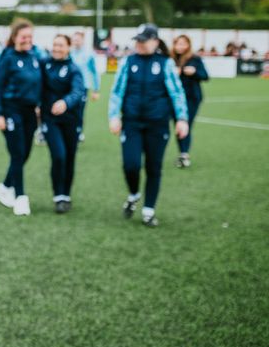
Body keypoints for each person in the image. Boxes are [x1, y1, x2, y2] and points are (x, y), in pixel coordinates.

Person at [108, 24, 188, 227]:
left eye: (144, 40)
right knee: (131, 164)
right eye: (138, 40)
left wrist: (182, 118)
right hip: (132, 123)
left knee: (154, 167)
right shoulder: (128, 62)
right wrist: (114, 116)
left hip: (157, 124)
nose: (140, 44)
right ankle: (134, 194)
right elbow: (117, 91)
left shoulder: (165, 63)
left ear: (155, 41)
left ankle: (148, 210)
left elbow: (177, 93)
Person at [0, 18, 42, 216]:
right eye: (23, 36)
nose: (27, 40)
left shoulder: (35, 56)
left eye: (29, 36)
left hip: (30, 113)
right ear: (14, 37)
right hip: (11, 111)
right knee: (18, 153)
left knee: (24, 154)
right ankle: (20, 197)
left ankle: (4, 187)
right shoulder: (8, 58)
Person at [40, 34, 86, 213]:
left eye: (61, 45)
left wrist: (65, 102)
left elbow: (78, 91)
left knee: (69, 157)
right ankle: (58, 196)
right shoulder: (44, 64)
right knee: (58, 155)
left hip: (71, 120)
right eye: (55, 45)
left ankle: (66, 194)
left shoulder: (74, 69)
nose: (57, 49)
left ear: (68, 48)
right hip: (50, 119)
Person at [171, 34, 208, 168]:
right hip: (175, 100)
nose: (180, 46)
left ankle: (184, 154)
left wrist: (194, 72)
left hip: (192, 98)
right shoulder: (170, 60)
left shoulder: (195, 59)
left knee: (185, 125)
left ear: (188, 45)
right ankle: (183, 153)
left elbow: (205, 76)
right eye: (178, 43)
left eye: (183, 44)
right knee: (178, 126)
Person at [69, 30, 100, 142]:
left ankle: (78, 131)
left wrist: (96, 89)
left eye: (78, 39)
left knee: (79, 111)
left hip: (83, 87)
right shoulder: (69, 53)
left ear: (82, 40)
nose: (76, 42)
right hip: (69, 87)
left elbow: (95, 72)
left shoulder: (89, 54)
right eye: (74, 39)